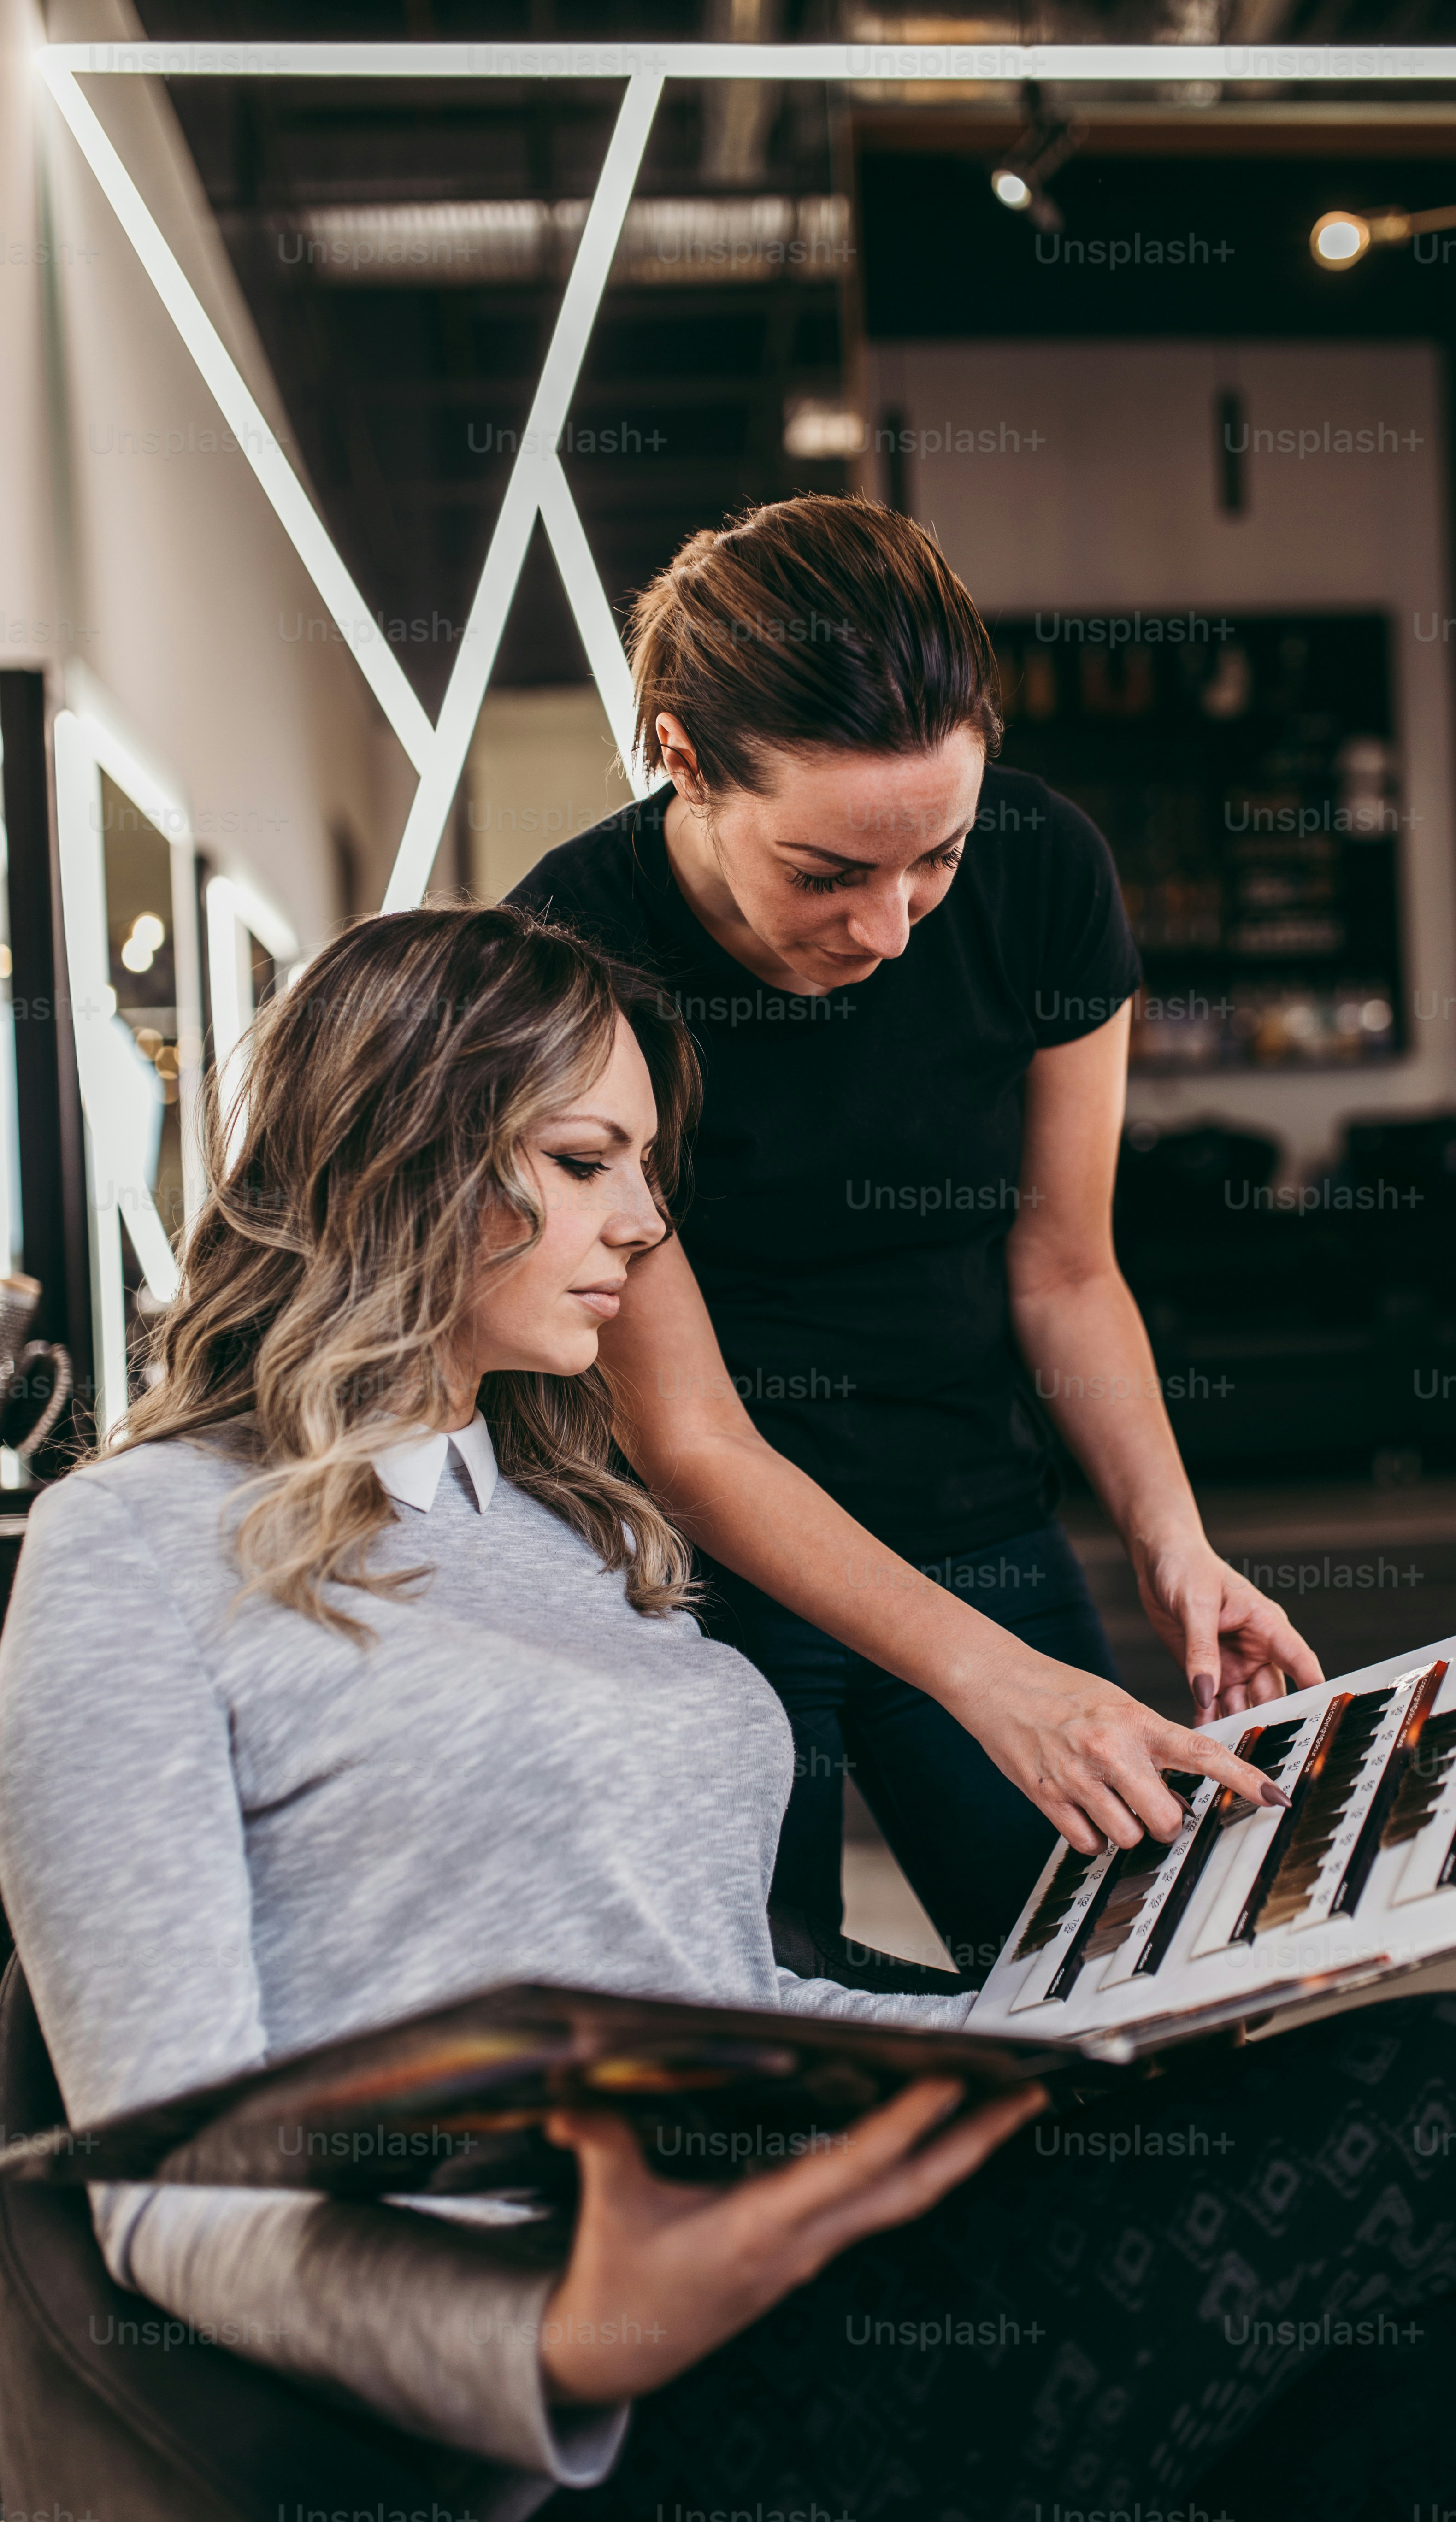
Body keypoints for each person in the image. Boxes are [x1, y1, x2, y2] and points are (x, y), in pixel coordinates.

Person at [0, 907, 1456, 2520]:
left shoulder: (569, 1523)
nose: (646, 1225)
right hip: (605, 2402)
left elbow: (730, 1995)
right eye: (586, 1164)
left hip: (821, 2245)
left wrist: (1114, 2010)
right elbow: (161, 2196)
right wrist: (565, 2335)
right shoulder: (131, 1543)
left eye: (646, 1170)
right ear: (404, 1153)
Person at [507, 494, 1323, 1970]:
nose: (892, 927)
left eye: (934, 856)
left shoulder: (1045, 871)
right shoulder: (575, 950)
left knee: (1131, 1980)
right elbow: (692, 1436)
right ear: (685, 758)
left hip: (979, 1518)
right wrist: (987, 1682)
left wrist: (1172, 1539)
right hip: (700, 1571)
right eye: (829, 873)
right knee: (763, 2023)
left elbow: (1068, 1268)